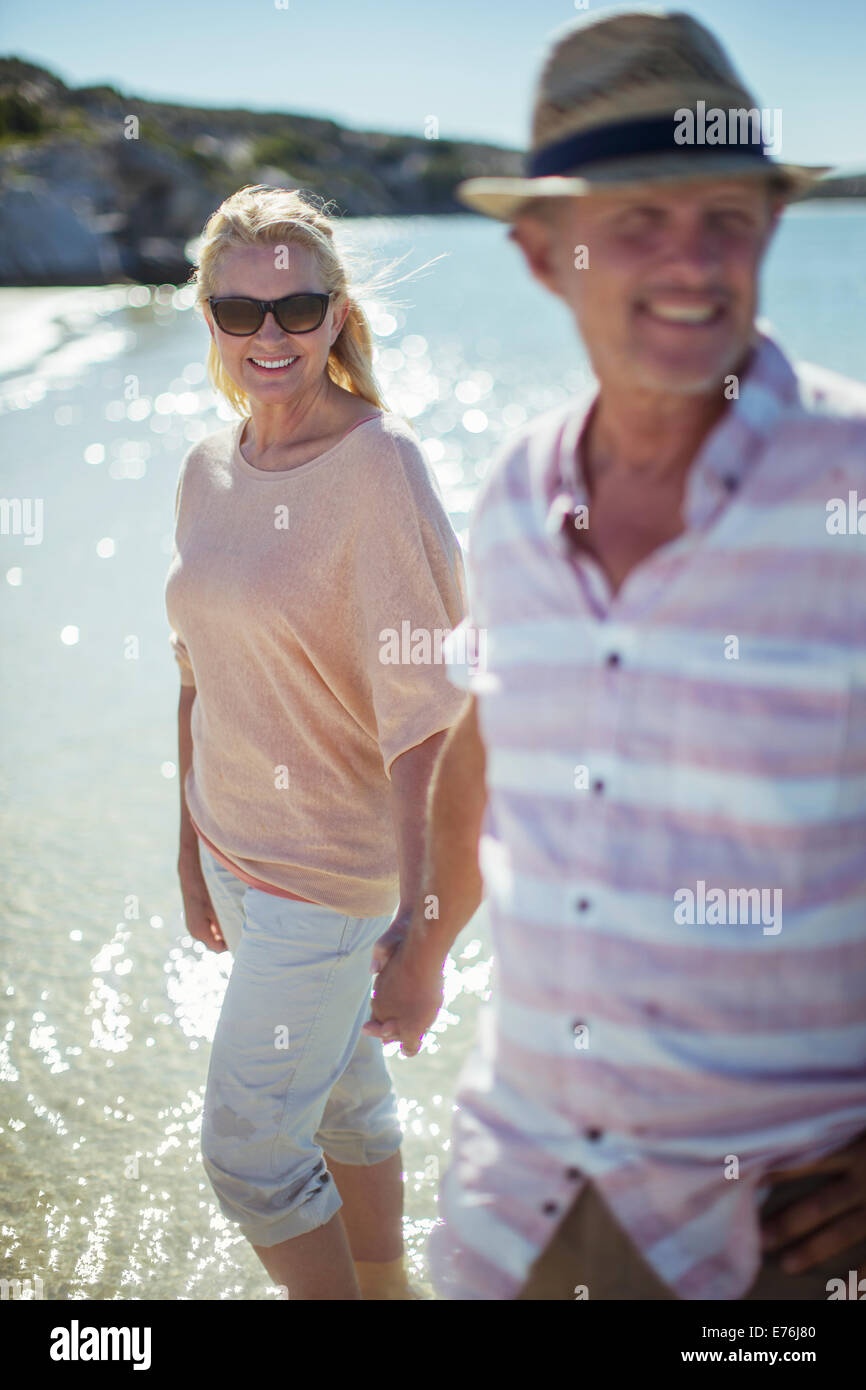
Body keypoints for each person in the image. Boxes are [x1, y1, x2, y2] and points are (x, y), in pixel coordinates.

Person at [364, 10, 866, 1299]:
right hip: (513, 1200)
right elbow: (497, 725)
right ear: (541, 254)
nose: (690, 262)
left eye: (727, 216)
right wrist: (423, 941)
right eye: (635, 221)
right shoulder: (517, 489)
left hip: (776, 1235)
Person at [164, 185, 467, 1300]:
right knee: (340, 1104)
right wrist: (187, 848)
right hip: (235, 861)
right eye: (240, 313)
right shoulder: (207, 467)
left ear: (336, 315)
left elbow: (429, 726)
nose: (270, 336)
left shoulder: (378, 468)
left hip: (328, 888)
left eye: (296, 307)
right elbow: (195, 676)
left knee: (247, 1157)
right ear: (208, 319)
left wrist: (421, 933)